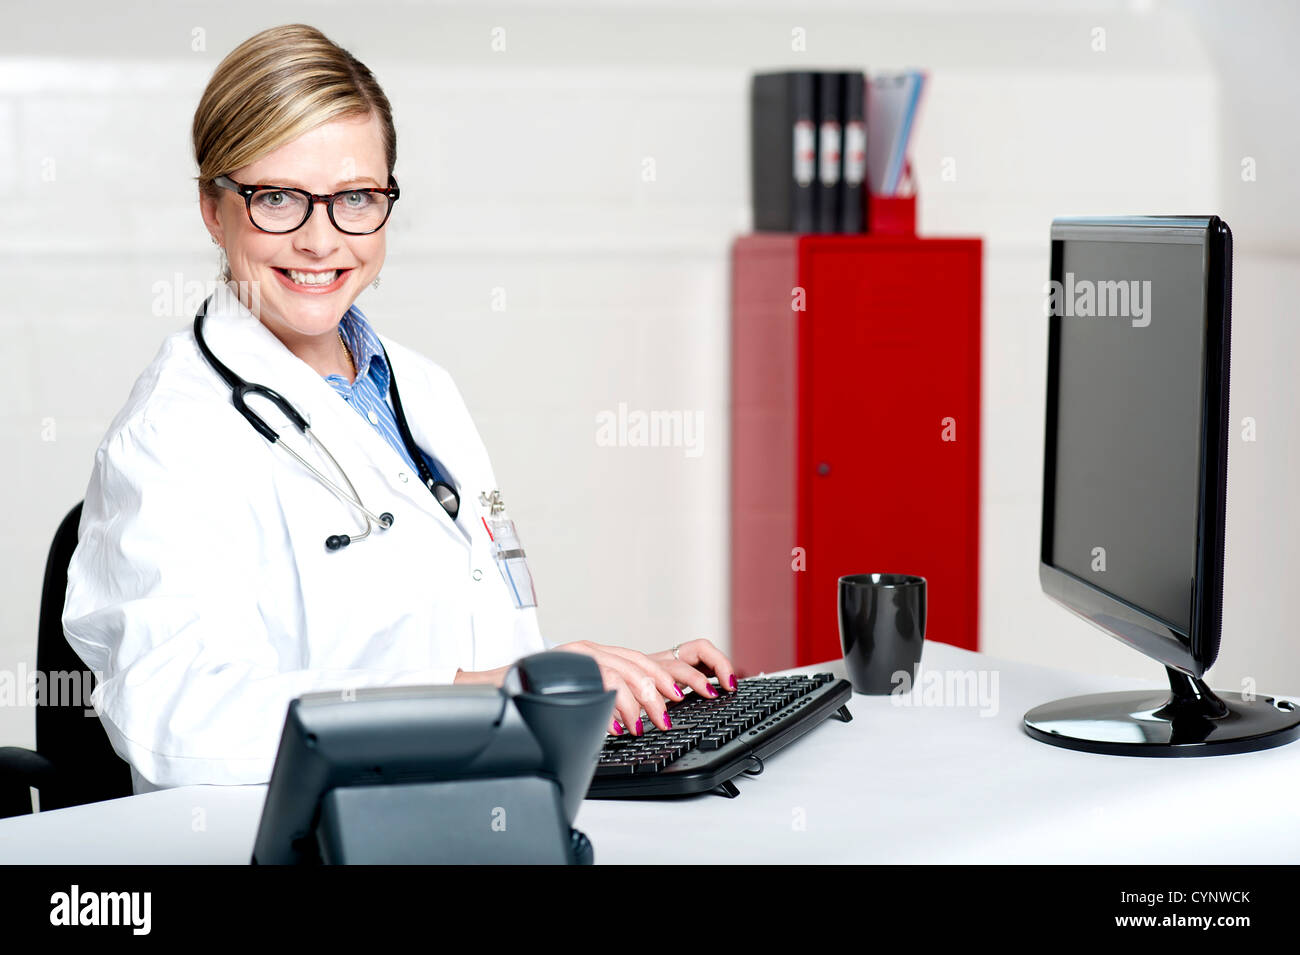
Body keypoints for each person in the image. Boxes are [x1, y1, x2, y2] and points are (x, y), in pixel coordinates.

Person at [62, 23, 736, 794]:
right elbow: (180, 720)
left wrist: (604, 690)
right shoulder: (171, 436)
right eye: (277, 198)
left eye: (355, 197)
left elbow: (497, 644)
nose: (321, 240)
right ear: (214, 210)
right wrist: (484, 694)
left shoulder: (421, 389)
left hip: (473, 805)